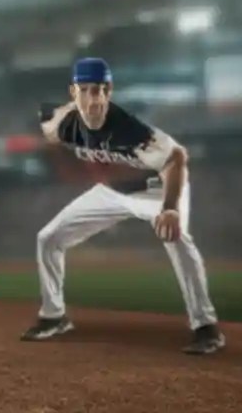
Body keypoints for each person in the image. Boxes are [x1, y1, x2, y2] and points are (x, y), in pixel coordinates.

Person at [21, 57, 225, 355]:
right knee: (48, 238)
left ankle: (206, 328)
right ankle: (54, 316)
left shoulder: (130, 130)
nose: (95, 98)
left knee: (177, 238)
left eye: (102, 89)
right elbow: (46, 125)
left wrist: (170, 208)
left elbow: (177, 158)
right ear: (73, 92)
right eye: (87, 89)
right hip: (112, 192)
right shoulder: (59, 123)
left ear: (110, 91)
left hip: (155, 191)